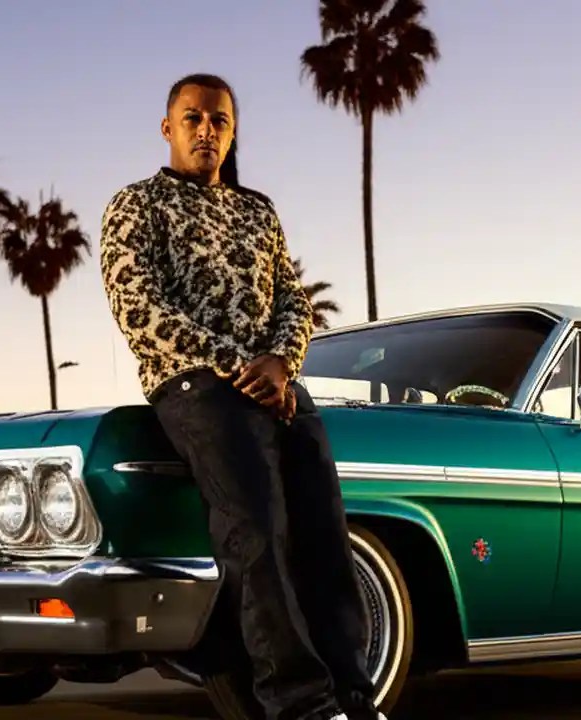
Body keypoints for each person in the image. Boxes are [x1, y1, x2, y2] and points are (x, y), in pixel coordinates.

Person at [98, 73, 384, 720]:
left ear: (232, 131)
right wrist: (239, 368)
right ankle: (300, 706)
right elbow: (139, 306)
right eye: (193, 118)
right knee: (254, 536)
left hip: (281, 391)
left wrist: (282, 364)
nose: (207, 130)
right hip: (197, 386)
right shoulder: (135, 205)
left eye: (219, 120)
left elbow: (293, 299)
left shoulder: (258, 210)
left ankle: (353, 700)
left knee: (324, 540)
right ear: (168, 128)